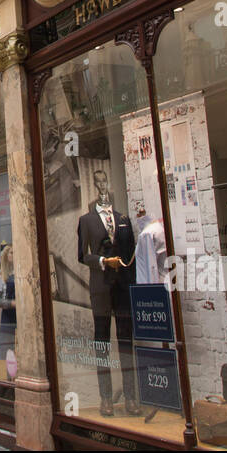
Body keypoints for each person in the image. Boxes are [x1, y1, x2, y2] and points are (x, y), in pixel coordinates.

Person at [77, 168, 137, 417]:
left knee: (126, 342)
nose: (102, 184)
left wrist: (123, 265)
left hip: (122, 286)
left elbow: (131, 250)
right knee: (101, 341)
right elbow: (82, 255)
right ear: (94, 183)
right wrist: (103, 261)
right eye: (98, 180)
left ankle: (131, 397)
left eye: (105, 180)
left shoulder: (122, 218)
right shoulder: (87, 220)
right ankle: (105, 398)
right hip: (101, 286)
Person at [0, 243, 16, 371]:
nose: (14, 255)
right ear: (6, 256)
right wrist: (12, 303)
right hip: (8, 317)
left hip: (20, 317)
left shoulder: (19, 272)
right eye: (11, 253)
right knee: (10, 354)